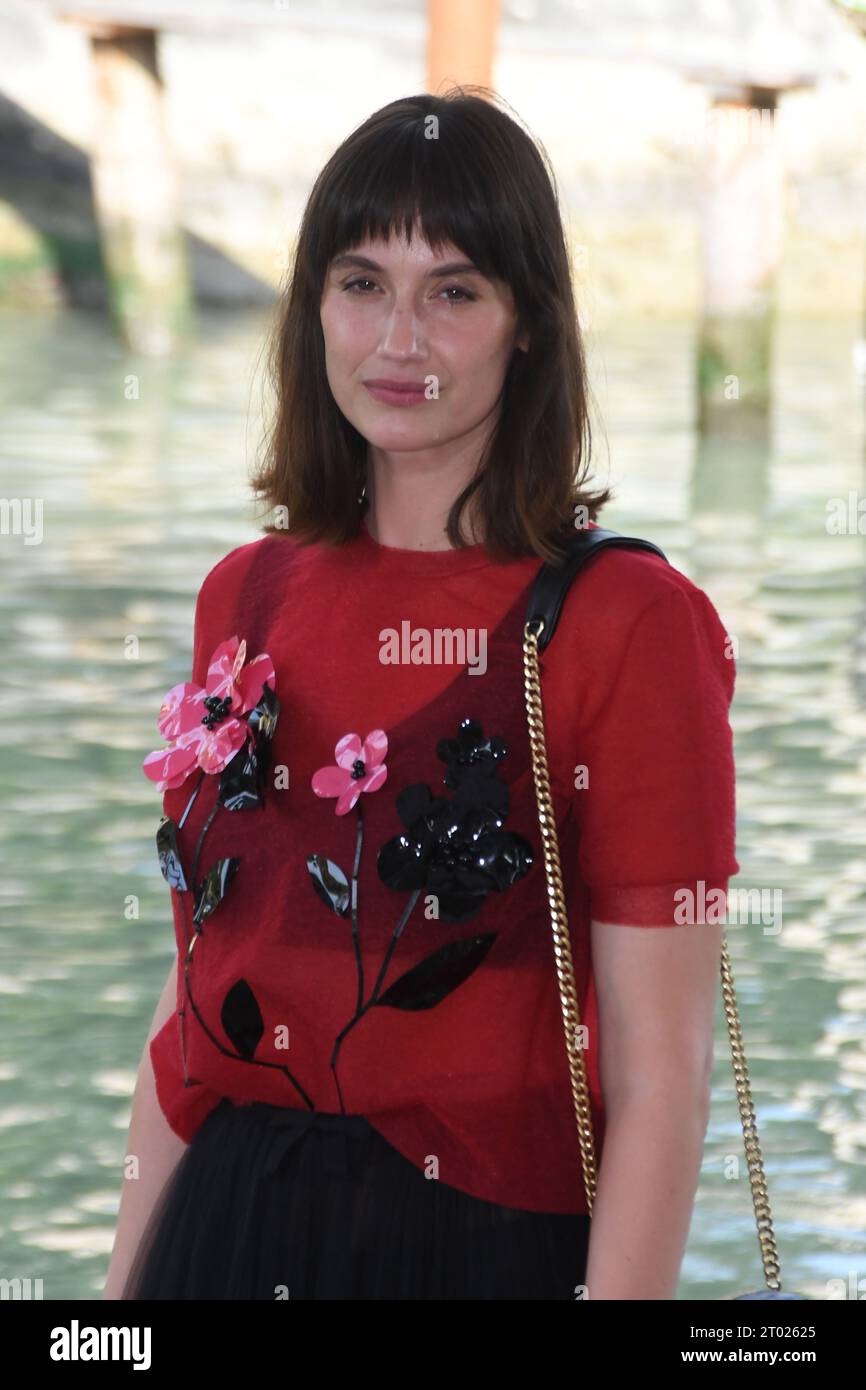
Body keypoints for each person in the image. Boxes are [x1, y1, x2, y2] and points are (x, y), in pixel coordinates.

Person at [103, 88, 738, 1301]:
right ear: (313, 310)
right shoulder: (242, 594)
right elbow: (188, 1018)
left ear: (527, 328)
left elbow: (660, 1081)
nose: (398, 339)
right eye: (360, 283)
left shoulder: (628, 622)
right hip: (222, 1231)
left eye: (452, 291)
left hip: (482, 1250)